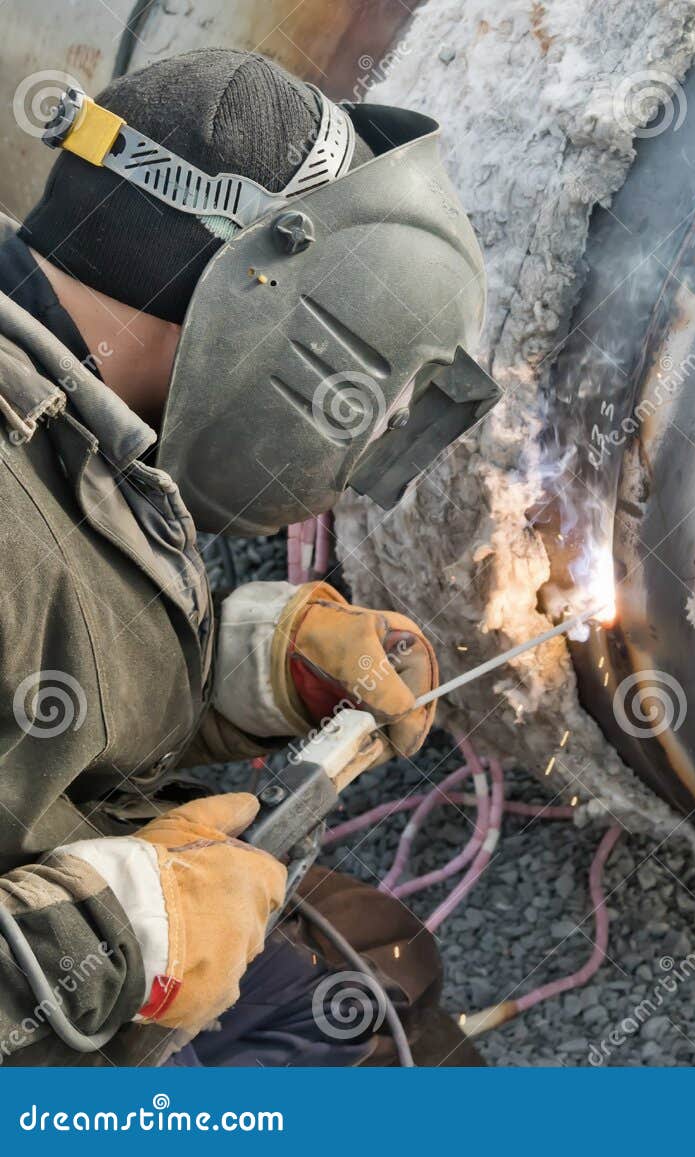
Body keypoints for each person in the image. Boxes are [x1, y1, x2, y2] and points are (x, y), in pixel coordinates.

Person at [0, 48, 500, 1065]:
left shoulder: (70, 416)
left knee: (385, 968)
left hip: (84, 873)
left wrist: (258, 664)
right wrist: (112, 938)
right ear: (262, 288)